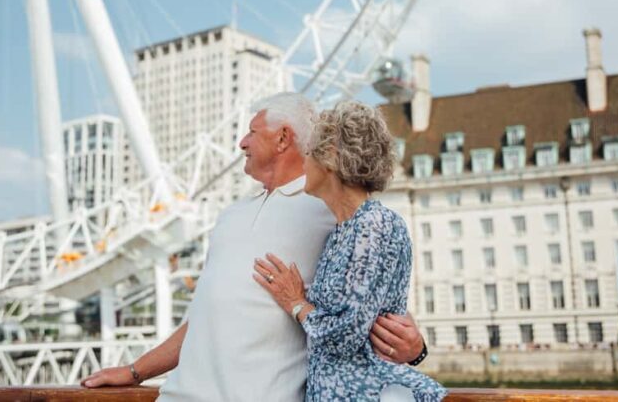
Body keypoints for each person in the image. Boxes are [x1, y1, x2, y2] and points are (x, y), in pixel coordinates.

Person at [81, 93, 427, 401]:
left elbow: (373, 305)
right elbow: (202, 318)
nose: (241, 143)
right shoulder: (230, 216)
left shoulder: (333, 214)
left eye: (251, 131)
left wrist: (416, 349)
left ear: (282, 138)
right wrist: (136, 371)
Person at [253, 100, 445, 401]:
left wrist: (296, 303)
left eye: (309, 153)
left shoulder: (375, 225)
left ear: (329, 156)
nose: (304, 163)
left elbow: (344, 334)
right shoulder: (342, 232)